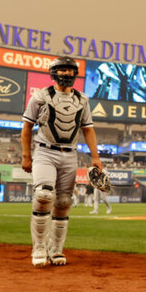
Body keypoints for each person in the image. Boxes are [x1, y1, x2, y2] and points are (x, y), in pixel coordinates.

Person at [21, 56, 103, 267]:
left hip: (70, 154)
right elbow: (27, 126)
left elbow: (88, 129)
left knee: (64, 202)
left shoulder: (82, 100)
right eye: (62, 69)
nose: (66, 73)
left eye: (70, 70)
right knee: (43, 195)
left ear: (75, 74)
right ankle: (39, 248)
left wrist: (95, 157)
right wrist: (26, 155)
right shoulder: (40, 96)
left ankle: (56, 249)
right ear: (53, 72)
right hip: (45, 152)